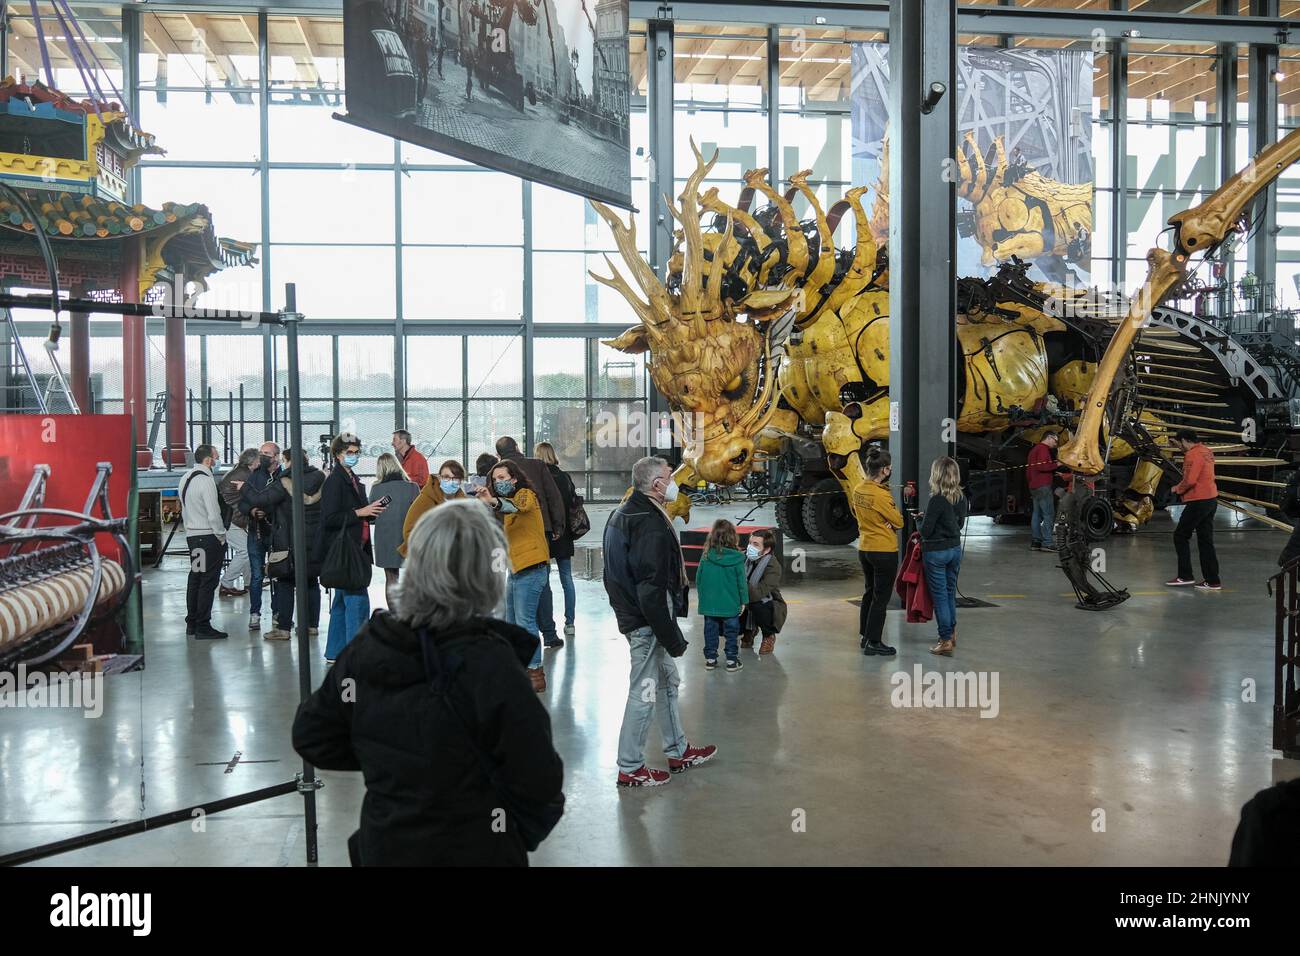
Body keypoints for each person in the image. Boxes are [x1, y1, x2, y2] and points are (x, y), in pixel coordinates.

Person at [292, 499, 565, 865]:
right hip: (474, 849)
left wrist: (390, 765)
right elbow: (539, 780)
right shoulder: (491, 663)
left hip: (387, 845)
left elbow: (313, 736)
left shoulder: (369, 647)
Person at [603, 456, 717, 788]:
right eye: (669, 477)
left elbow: (614, 577)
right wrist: (672, 637)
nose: (673, 482)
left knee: (667, 682)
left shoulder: (625, 512)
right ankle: (630, 767)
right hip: (647, 622)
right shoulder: (648, 524)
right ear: (656, 485)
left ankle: (678, 750)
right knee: (645, 691)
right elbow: (651, 589)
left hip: (638, 616)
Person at [474, 459, 550, 692]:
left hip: (533, 568)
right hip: (515, 569)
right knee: (511, 622)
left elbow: (517, 506)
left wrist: (493, 501)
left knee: (526, 622)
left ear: (514, 478)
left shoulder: (526, 495)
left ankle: (536, 673)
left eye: (503, 478)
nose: (499, 482)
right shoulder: (504, 503)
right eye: (496, 480)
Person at [243, 448, 328, 641]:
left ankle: (283, 629)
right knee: (311, 581)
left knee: (285, 582)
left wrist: (244, 488)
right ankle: (311, 625)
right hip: (314, 540)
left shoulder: (284, 482)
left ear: (288, 461)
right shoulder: (320, 479)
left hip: (289, 540)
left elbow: (260, 500)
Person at [318, 434, 386, 663]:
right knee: (356, 600)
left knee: (341, 601)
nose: (354, 456)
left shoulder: (352, 479)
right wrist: (361, 513)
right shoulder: (335, 482)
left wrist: (370, 512)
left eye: (357, 452)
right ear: (338, 455)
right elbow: (330, 518)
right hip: (348, 550)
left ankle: (336, 651)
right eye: (350, 453)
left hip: (356, 546)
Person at [850, 447, 903, 657]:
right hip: (884, 550)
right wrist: (888, 523)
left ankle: (865, 635)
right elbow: (898, 521)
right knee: (881, 598)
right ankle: (874, 641)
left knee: (869, 592)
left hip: (865, 547)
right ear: (884, 470)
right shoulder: (881, 496)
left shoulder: (858, 490)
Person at [919, 456, 968, 657]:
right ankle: (952, 633)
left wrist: (919, 521)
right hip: (955, 550)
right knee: (949, 594)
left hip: (936, 553)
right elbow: (959, 525)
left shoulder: (936, 500)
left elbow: (926, 532)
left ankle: (945, 639)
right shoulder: (961, 498)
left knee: (940, 597)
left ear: (936, 475)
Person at [180, 444, 228, 640]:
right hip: (208, 538)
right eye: (216, 457)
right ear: (209, 460)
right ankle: (203, 626)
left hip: (193, 537)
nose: (217, 461)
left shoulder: (185, 478)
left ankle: (192, 623)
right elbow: (214, 513)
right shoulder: (206, 481)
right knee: (208, 582)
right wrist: (221, 535)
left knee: (196, 578)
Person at [534, 441, 578, 645]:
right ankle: (570, 623)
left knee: (544, 580)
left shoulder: (536, 480)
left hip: (544, 533)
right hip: (564, 532)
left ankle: (546, 624)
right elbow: (572, 502)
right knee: (567, 578)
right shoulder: (564, 477)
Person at [1166, 428, 1221, 591]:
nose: (1179, 448)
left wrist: (1177, 489)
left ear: (1184, 440)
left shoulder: (1192, 454)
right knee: (1205, 540)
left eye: (1179, 444)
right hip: (1211, 499)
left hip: (1199, 501)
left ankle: (1185, 576)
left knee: (1180, 536)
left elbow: (1190, 480)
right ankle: (1213, 580)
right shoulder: (1206, 451)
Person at [369, 452, 421, 610]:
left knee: (391, 577)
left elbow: (371, 515)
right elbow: (419, 512)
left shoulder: (376, 489)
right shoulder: (412, 487)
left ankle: (394, 614)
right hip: (409, 537)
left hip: (385, 537)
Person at [239, 440, 282, 632]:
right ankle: (255, 614)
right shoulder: (254, 476)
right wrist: (254, 510)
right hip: (256, 533)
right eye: (261, 452)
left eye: (267, 453)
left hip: (277, 534)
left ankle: (278, 613)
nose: (263, 456)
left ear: (277, 457)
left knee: (278, 575)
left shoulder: (284, 477)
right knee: (257, 575)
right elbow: (242, 503)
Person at [695, 518, 748, 672]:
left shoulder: (706, 556)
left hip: (709, 604)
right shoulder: (737, 558)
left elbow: (698, 579)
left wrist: (703, 597)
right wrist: (743, 601)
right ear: (733, 537)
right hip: (731, 604)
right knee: (732, 632)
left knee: (710, 631)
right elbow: (741, 583)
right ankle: (731, 660)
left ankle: (711, 659)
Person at [400, 459, 469, 559]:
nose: (451, 481)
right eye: (446, 477)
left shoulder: (464, 502)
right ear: (439, 478)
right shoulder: (425, 499)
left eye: (456, 478)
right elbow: (409, 531)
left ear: (461, 481)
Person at [218, 448, 257, 597]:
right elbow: (255, 494)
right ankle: (226, 584)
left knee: (247, 548)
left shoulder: (239, 470)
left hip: (231, 518)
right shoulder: (245, 474)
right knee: (245, 550)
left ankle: (249, 582)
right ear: (253, 462)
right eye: (260, 459)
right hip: (232, 519)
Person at [741, 528, 786, 655]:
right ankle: (749, 629)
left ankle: (768, 635)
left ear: (766, 550)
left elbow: (757, 594)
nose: (750, 547)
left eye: (755, 544)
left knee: (757, 605)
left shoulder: (773, 567)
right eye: (750, 543)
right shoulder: (744, 558)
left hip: (767, 603)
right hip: (745, 600)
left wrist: (740, 579)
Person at [1027, 430, 1064, 552]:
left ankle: (1036, 542)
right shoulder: (1043, 449)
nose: (1056, 444)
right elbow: (1042, 466)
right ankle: (1048, 542)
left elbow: (1031, 470)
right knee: (1049, 514)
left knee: (1036, 514)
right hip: (1043, 486)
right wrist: (1057, 464)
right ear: (1049, 437)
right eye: (1055, 441)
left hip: (1034, 486)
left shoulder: (1034, 450)